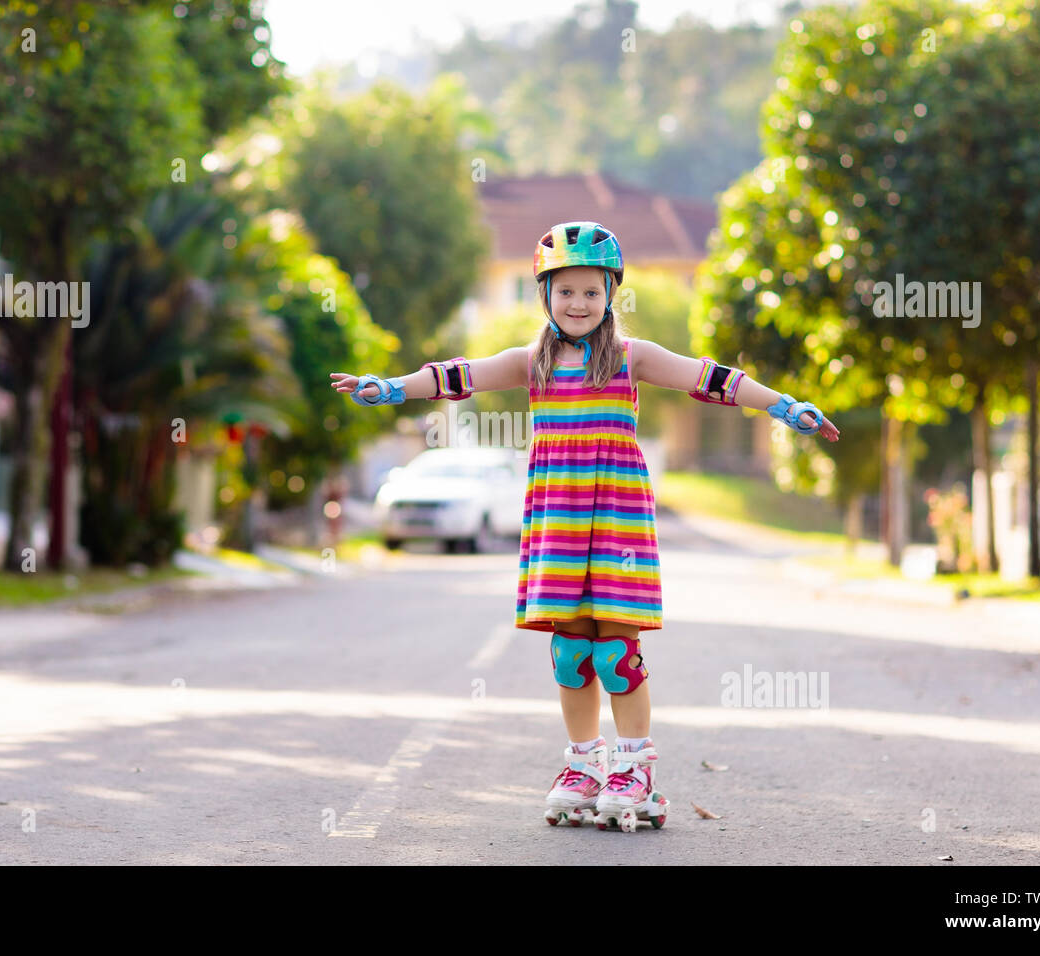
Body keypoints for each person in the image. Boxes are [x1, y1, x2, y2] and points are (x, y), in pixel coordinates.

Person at [330, 221, 840, 831]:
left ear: (610, 296)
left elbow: (711, 379)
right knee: (571, 651)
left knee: (617, 650)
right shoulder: (530, 363)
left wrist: (784, 406)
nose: (578, 304)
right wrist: (389, 389)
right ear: (545, 294)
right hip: (557, 516)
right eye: (565, 291)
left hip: (618, 518)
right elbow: (456, 374)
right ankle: (582, 766)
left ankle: (635, 770)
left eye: (592, 292)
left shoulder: (632, 357)